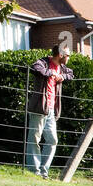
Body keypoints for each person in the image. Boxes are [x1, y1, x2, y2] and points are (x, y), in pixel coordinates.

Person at [26, 44, 74, 178]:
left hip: (52, 110)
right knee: (34, 138)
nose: (69, 57)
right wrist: (51, 73)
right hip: (39, 108)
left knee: (52, 140)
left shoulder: (62, 68)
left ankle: (43, 170)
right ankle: (34, 170)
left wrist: (62, 77)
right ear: (60, 55)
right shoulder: (43, 62)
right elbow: (36, 68)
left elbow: (71, 74)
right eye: (68, 55)